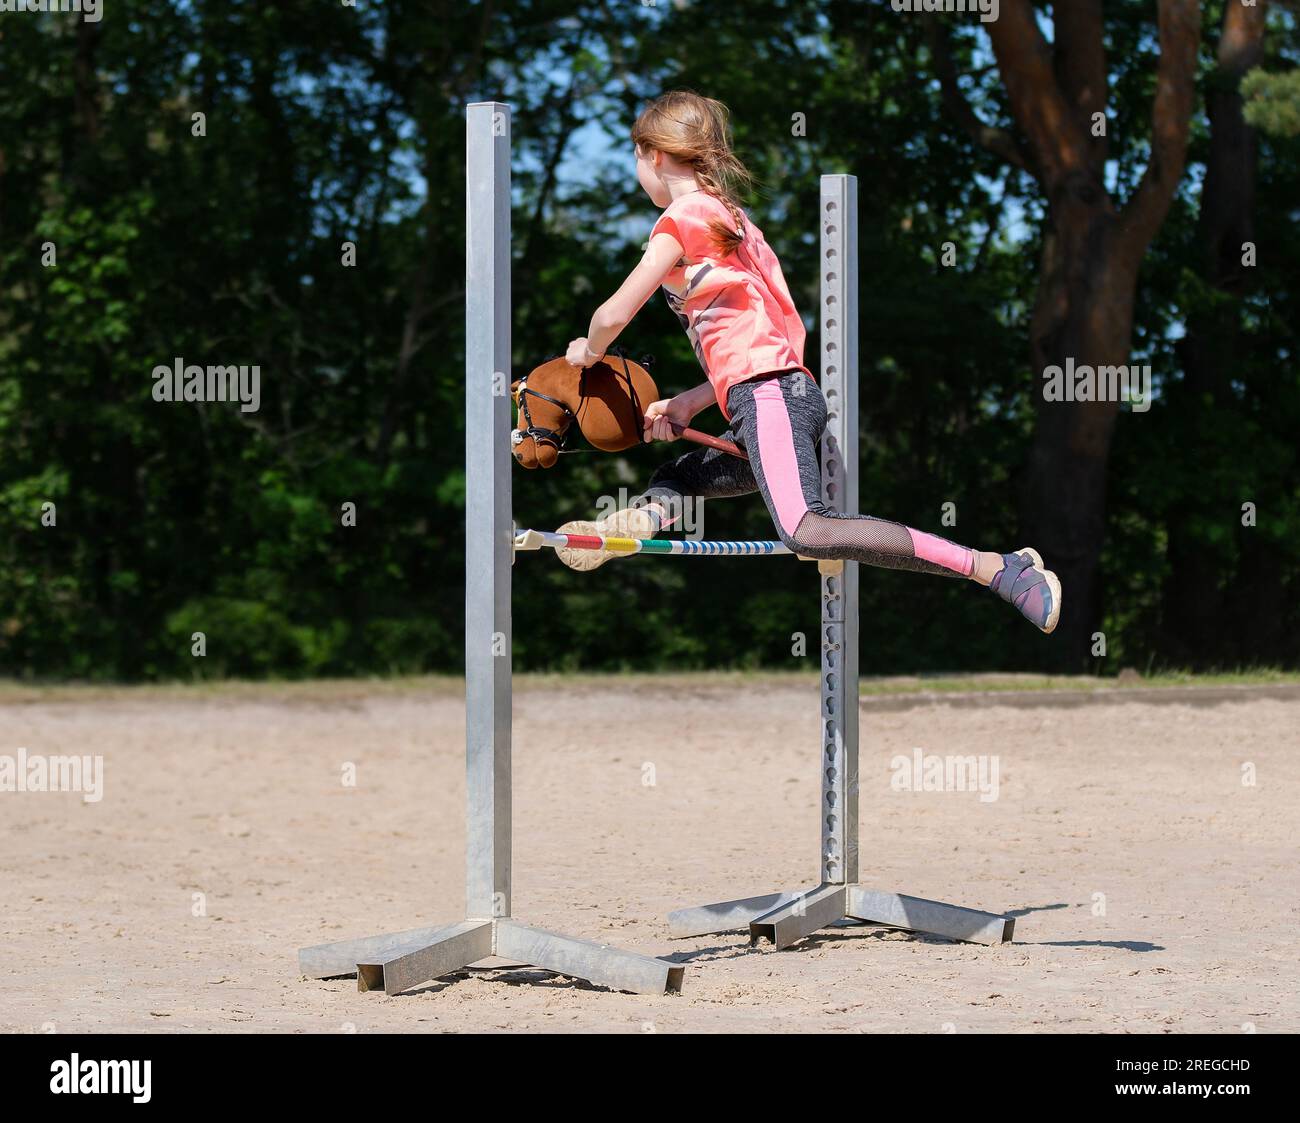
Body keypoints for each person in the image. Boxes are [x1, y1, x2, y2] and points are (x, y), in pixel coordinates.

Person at [558, 90, 1060, 633]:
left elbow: (612, 314)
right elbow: (765, 340)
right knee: (681, 476)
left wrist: (589, 349)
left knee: (807, 530)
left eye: (637, 161)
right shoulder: (734, 221)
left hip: (770, 397)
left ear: (653, 154)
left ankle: (999, 569)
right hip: (770, 396)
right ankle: (643, 521)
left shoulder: (680, 220)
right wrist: (691, 401)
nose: (640, 176)